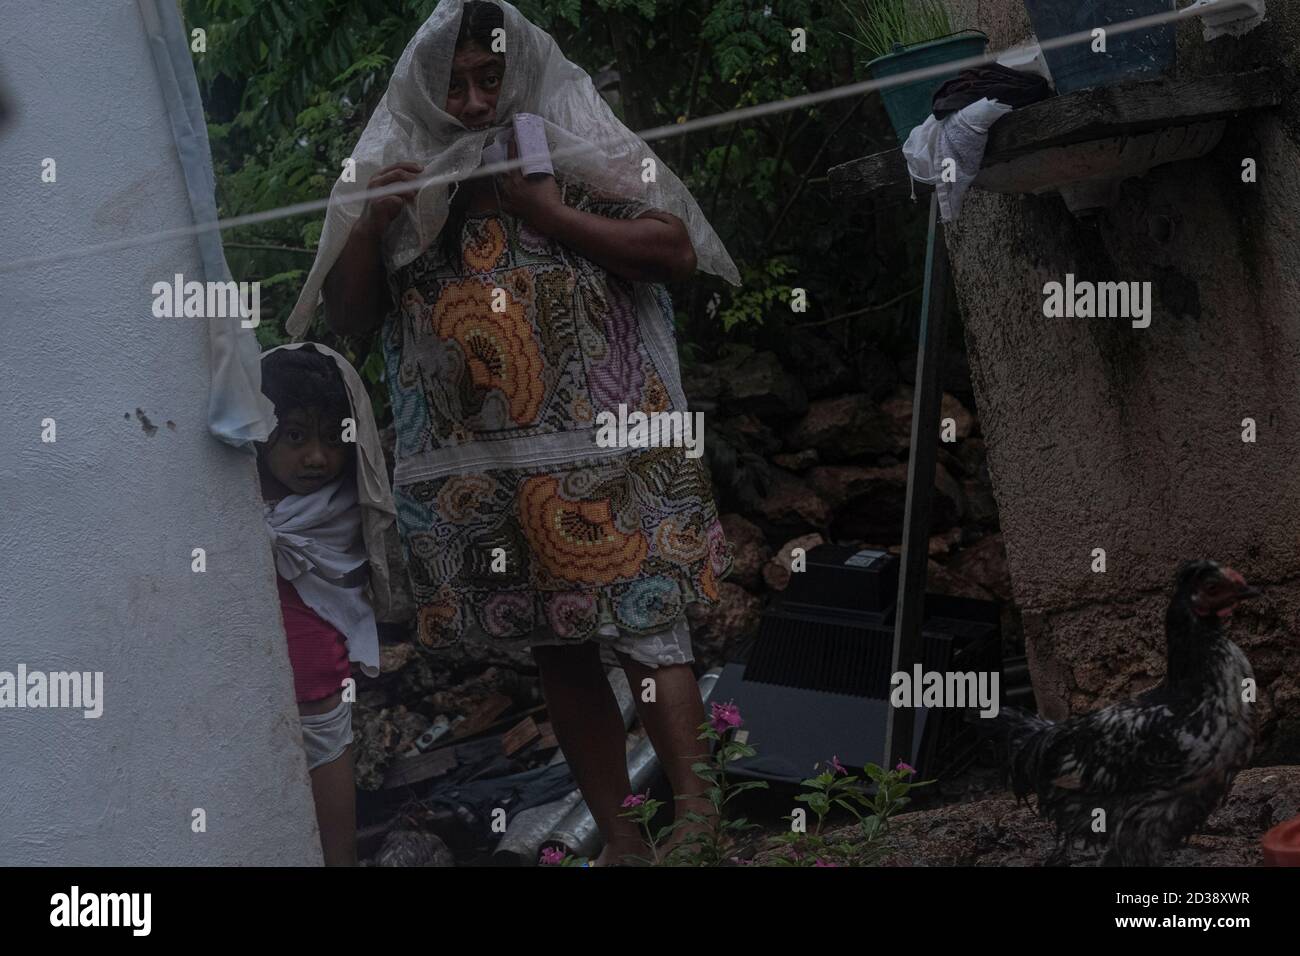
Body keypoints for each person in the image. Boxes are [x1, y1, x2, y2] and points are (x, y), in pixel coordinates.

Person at [289, 0, 741, 865]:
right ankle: (623, 841)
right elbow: (351, 317)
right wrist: (375, 224)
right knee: (557, 641)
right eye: (452, 83)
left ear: (517, 70)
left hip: (603, 440)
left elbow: (674, 251)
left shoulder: (566, 132)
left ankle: (696, 823)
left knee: (649, 621)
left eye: (487, 78)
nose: (469, 102)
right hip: (485, 461)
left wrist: (547, 211)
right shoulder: (398, 161)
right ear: (423, 85)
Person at [257, 343, 396, 866]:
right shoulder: (231, 500)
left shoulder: (344, 505)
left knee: (325, 766)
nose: (316, 457)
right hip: (247, 680)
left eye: (332, 439)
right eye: (295, 436)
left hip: (318, 680)